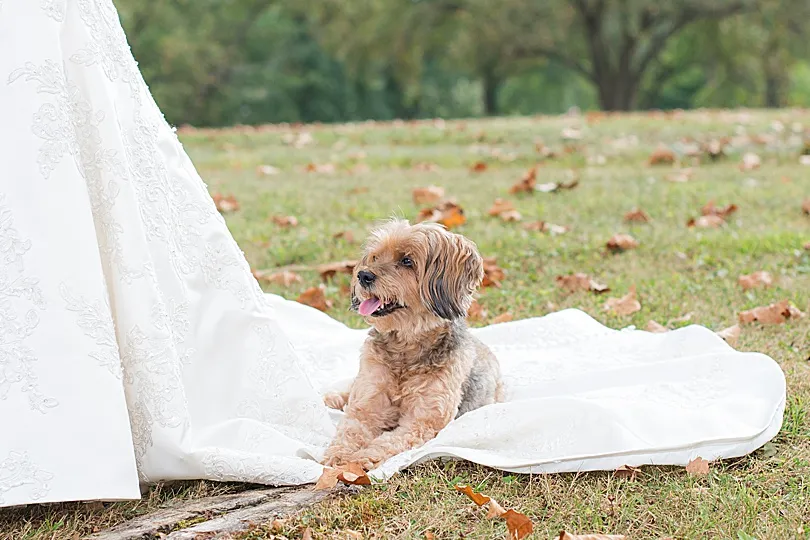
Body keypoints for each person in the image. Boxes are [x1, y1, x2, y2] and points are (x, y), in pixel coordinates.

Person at [0, 0, 786, 509]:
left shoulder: (454, 356)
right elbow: (360, 430)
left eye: (398, 266)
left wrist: (378, 437)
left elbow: (416, 432)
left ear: (443, 281)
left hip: (445, 371)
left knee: (389, 418)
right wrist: (353, 434)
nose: (369, 274)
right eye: (372, 264)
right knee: (354, 406)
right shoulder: (378, 343)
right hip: (389, 368)